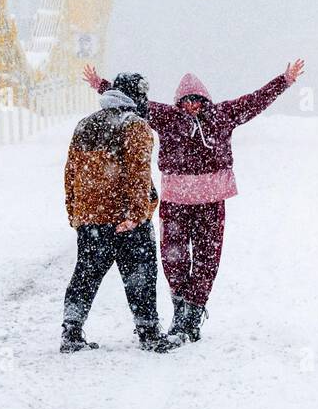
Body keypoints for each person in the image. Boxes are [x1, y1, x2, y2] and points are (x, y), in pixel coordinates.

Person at [83, 60, 305, 343]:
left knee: (207, 257)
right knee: (173, 257)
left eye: (196, 100)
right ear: (179, 102)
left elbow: (255, 101)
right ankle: (180, 307)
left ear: (204, 99)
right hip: (176, 200)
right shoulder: (168, 118)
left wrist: (284, 80)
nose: (191, 106)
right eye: (186, 101)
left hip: (212, 201)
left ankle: (193, 312)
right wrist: (102, 85)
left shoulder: (223, 115)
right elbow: (136, 103)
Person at [61, 72, 176, 354]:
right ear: (135, 95)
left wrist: (75, 212)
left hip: (90, 217)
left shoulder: (84, 124)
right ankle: (149, 333)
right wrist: (136, 214)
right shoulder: (135, 126)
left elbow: (71, 171)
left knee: (85, 274)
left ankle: (71, 331)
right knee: (140, 274)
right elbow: (138, 175)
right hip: (125, 217)